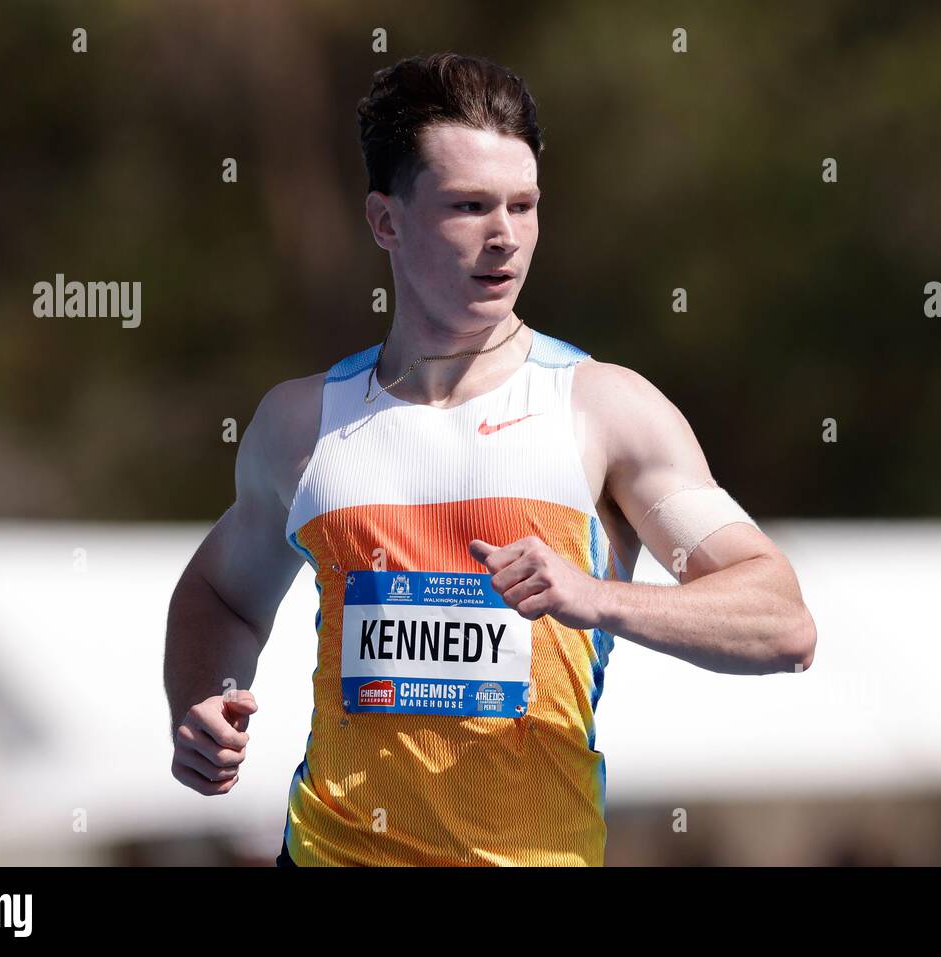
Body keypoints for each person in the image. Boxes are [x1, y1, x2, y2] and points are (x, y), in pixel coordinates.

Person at [164, 52, 817, 867]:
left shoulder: (604, 409)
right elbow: (221, 593)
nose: (505, 236)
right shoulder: (304, 425)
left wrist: (598, 597)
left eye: (524, 204)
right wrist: (202, 695)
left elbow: (782, 622)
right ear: (385, 221)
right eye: (469, 206)